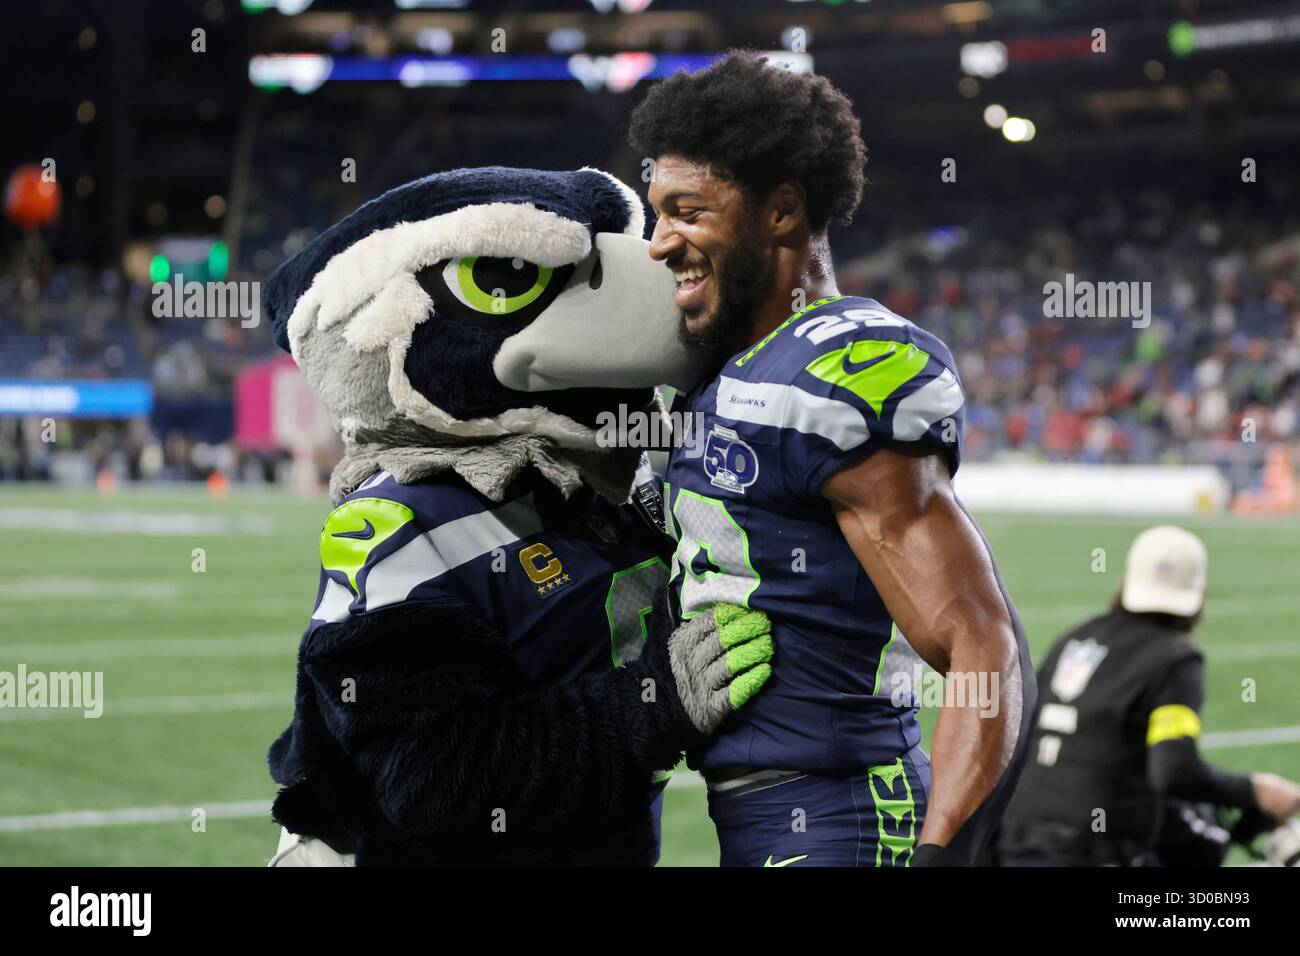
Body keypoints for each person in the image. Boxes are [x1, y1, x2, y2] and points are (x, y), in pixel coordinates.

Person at [626, 51, 1035, 867]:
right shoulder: (713, 370)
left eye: (688, 211)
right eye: (655, 213)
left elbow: (981, 644)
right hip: (755, 814)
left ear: (781, 212)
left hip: (845, 813)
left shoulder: (833, 370)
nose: (659, 242)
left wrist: (943, 852)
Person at [998, 525, 1300, 866]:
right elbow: (1174, 769)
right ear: (1199, 596)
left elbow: (1018, 739)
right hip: (1090, 849)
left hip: (1015, 837)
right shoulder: (1174, 659)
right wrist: (1255, 792)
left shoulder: (1076, 637)